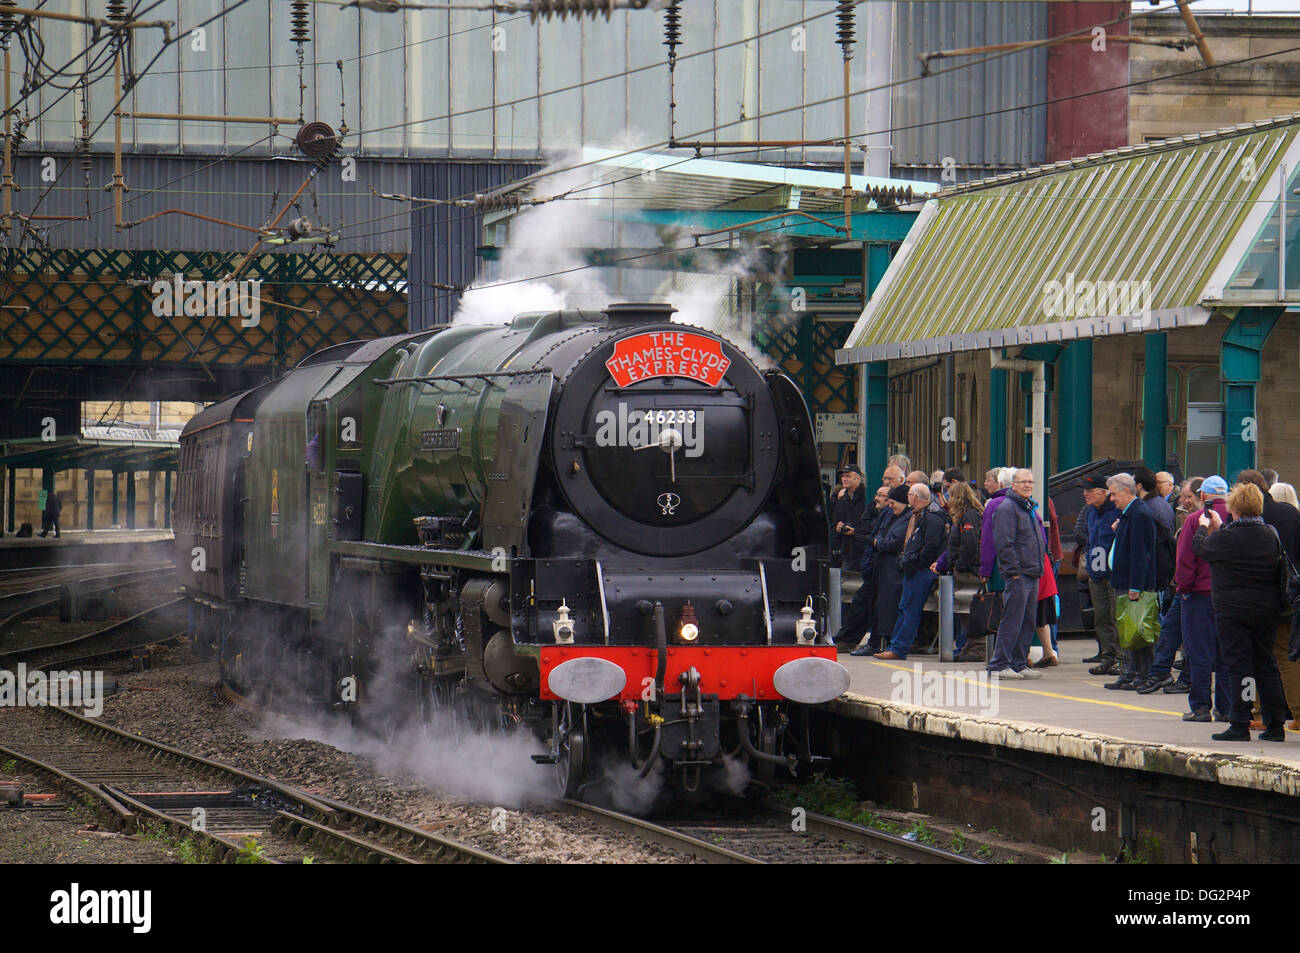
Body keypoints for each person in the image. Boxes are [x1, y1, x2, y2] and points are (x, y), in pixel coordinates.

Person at [1192, 482, 1289, 742]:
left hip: (1233, 611)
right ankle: (1276, 724)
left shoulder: (1225, 538)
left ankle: (1240, 722)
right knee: (1267, 665)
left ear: (1233, 508)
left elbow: (1200, 548)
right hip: (1267, 609)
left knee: (1240, 666)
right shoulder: (1270, 534)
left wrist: (1204, 526)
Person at [1137, 477, 1204, 694]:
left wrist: (1183, 584)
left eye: (1187, 496)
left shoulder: (1198, 520)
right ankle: (1161, 673)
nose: (1182, 501)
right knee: (1171, 630)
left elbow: (1188, 557)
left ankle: (1184, 677)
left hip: (1192, 587)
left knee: (1191, 636)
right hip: (1182, 586)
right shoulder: (1186, 518)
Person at [876, 484, 947, 660]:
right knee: (904, 608)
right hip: (914, 569)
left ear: (915, 497)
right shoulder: (920, 516)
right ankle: (896, 645)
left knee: (909, 609)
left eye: (909, 495)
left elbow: (930, 547)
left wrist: (915, 562)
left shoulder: (931, 519)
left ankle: (899, 648)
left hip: (921, 571)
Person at [988, 469, 1046, 679]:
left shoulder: (1027, 507)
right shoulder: (1008, 508)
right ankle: (999, 664)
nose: (1028, 485)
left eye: (1030, 482)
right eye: (1023, 482)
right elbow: (1004, 542)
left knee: (1027, 620)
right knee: (1012, 619)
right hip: (1019, 574)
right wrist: (1013, 571)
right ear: (1013, 485)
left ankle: (1019, 662)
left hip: (1031, 572)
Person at [1105, 473, 1158, 690]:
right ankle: (1131, 672)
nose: (1111, 499)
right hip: (1124, 581)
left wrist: (1135, 586)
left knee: (1138, 630)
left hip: (1133, 584)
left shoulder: (1139, 514)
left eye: (1114, 494)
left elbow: (1140, 554)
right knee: (1128, 630)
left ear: (1127, 492)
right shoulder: (1129, 514)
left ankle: (1142, 674)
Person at [852, 485, 910, 657]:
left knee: (889, 606)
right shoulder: (892, 516)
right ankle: (875, 642)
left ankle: (890, 644)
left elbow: (890, 542)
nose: (890, 506)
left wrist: (876, 542)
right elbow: (881, 535)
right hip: (882, 567)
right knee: (878, 605)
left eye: (893, 503)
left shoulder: (906, 519)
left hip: (893, 570)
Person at [833, 486, 889, 652]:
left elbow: (880, 537)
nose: (876, 498)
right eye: (877, 493)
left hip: (883, 566)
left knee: (866, 602)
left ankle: (859, 640)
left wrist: (861, 534)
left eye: (881, 495)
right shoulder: (874, 509)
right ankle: (849, 638)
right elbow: (864, 526)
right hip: (871, 564)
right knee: (861, 601)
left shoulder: (893, 514)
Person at [934, 481, 984, 658]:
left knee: (972, 611)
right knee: (965, 612)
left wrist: (960, 564)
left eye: (950, 494)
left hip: (969, 570)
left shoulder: (969, 516)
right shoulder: (963, 515)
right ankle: (970, 646)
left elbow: (969, 543)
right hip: (963, 568)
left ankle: (979, 648)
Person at [1078, 475, 1120, 674]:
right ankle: (1107, 656)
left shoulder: (1117, 511)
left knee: (1115, 617)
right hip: (1096, 573)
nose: (1085, 494)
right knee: (1101, 618)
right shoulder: (1091, 512)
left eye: (1090, 490)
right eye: (1084, 490)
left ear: (1104, 492)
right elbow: (1089, 538)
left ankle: (1121, 658)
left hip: (1113, 574)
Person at [829, 465, 867, 572]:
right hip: (844, 550)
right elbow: (834, 521)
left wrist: (855, 531)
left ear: (857, 478)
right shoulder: (841, 498)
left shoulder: (866, 497)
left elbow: (870, 524)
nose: (844, 479)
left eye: (848, 476)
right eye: (843, 476)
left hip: (861, 550)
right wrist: (838, 527)